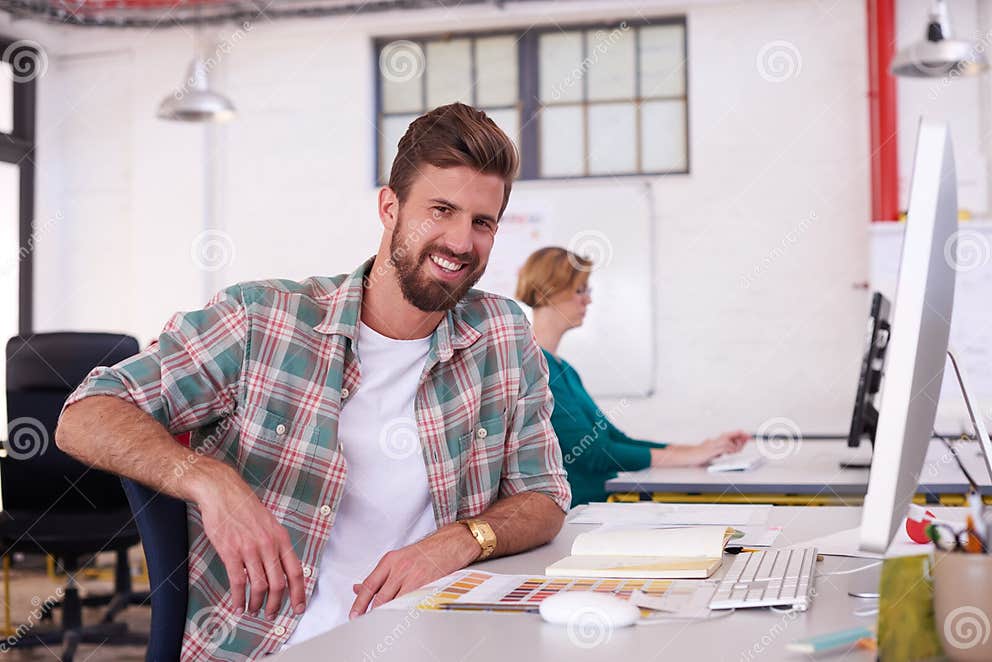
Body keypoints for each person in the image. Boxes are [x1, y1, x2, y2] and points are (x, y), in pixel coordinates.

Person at [55, 103, 571, 660]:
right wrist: (209, 481)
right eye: (440, 210)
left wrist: (462, 540)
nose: (459, 242)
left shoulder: (502, 334)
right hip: (272, 645)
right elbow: (84, 413)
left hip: (436, 637)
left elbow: (544, 495)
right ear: (389, 208)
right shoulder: (262, 320)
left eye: (481, 222)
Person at [515, 246, 750, 506]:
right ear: (545, 293)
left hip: (606, 501)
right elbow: (592, 453)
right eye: (579, 290)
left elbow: (614, 440)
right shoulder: (535, 366)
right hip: (577, 511)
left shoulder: (565, 369)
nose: (588, 300)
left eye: (587, 290)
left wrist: (697, 450)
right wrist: (691, 455)